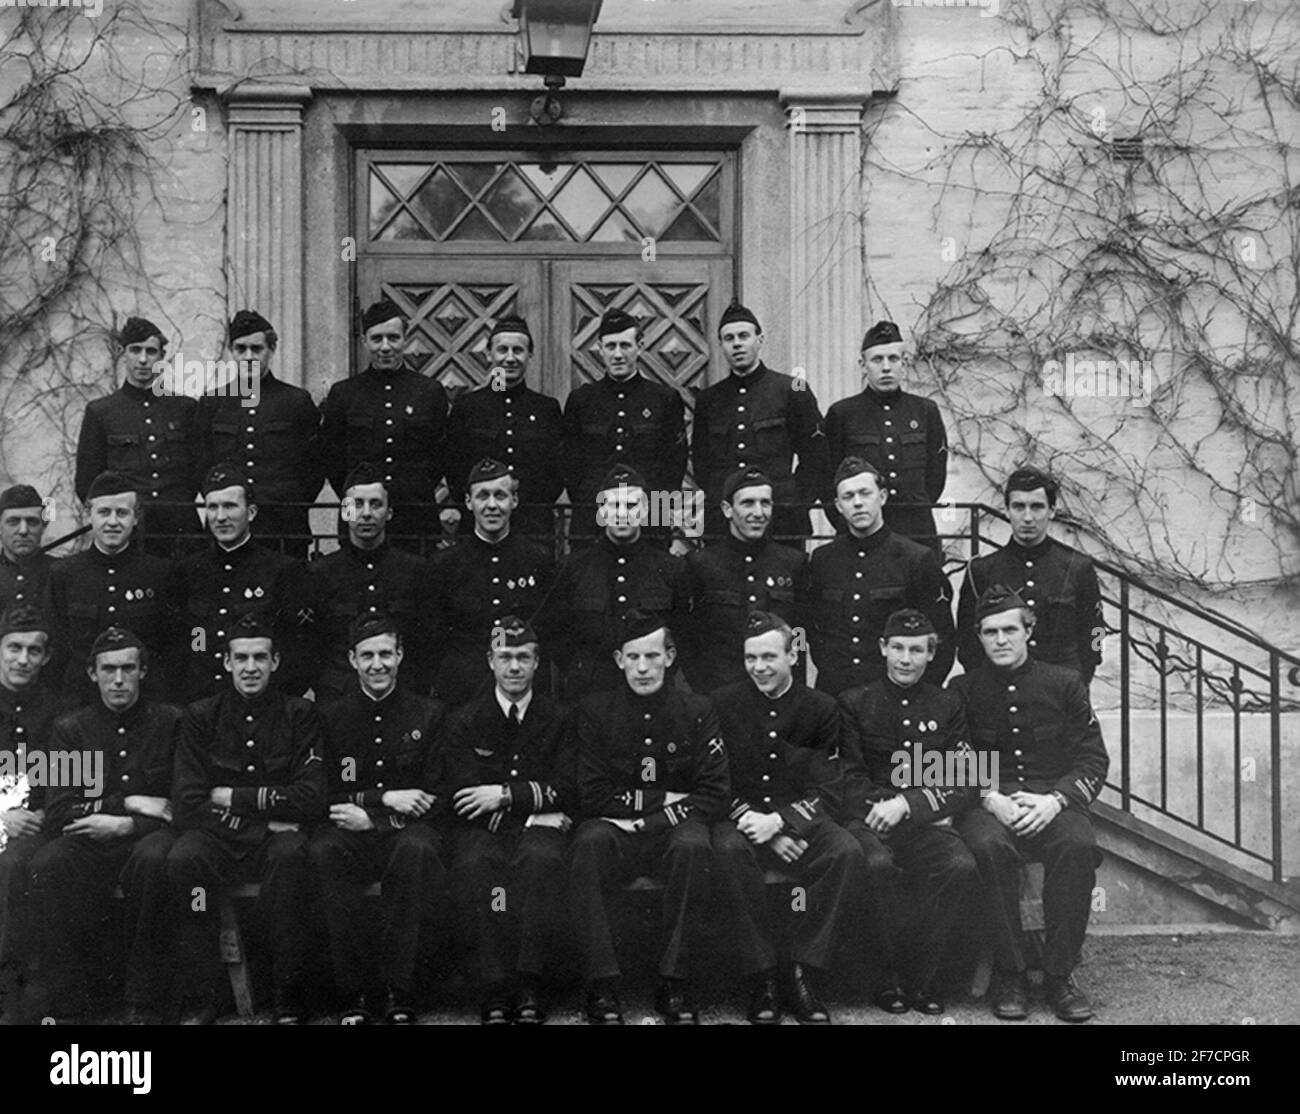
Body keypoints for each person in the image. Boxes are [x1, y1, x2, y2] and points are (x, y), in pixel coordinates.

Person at [953, 585, 1109, 1022]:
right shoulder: (962, 688)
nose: (1000, 640)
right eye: (989, 632)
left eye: (1009, 630)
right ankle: (1010, 972)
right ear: (979, 638)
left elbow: (1092, 757)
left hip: (1051, 798)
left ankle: (1060, 975)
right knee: (986, 848)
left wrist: (1056, 800)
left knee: (1076, 847)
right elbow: (951, 759)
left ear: (1028, 632)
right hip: (990, 803)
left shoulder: (1064, 682)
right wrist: (989, 798)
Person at [568, 612, 728, 1025]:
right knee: (588, 842)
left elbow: (714, 793)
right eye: (633, 657)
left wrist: (649, 820)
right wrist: (663, 798)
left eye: (653, 656)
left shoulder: (697, 708)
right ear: (619, 659)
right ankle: (601, 984)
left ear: (670, 656)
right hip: (613, 829)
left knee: (695, 845)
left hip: (672, 827)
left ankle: (675, 980)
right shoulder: (595, 710)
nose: (642, 668)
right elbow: (591, 793)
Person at [167, 613, 325, 1024]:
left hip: (279, 840)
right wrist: (261, 824)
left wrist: (236, 796)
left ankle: (287, 997)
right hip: (222, 836)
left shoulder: (300, 714)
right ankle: (203, 998)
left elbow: (310, 798)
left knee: (291, 858)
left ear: (275, 662)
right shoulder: (201, 716)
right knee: (185, 859)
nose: (251, 668)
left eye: (260, 658)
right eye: (241, 658)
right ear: (226, 663)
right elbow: (188, 803)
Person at [710, 612, 866, 1025]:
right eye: (750, 658)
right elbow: (715, 782)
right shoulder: (723, 704)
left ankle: (801, 974)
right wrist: (760, 826)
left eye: (768, 657)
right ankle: (761, 977)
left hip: (800, 817)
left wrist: (781, 823)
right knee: (727, 850)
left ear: (792, 655)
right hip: (740, 816)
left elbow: (829, 790)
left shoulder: (821, 708)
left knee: (846, 852)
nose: (758, 668)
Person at [28, 627, 179, 1023]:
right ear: (92, 674)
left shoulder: (170, 722)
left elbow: (180, 805)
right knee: (48, 864)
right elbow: (60, 810)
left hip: (147, 837)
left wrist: (129, 826)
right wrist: (124, 803)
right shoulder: (70, 729)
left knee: (154, 859)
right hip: (91, 838)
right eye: (108, 669)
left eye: (128, 668)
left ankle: (144, 1002)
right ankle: (68, 1005)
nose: (118, 679)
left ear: (143, 671)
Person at [836, 609, 979, 1015]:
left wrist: (909, 804)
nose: (905, 659)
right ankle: (885, 978)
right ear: (882, 648)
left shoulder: (948, 704)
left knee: (959, 865)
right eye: (897, 647)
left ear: (931, 655)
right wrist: (885, 807)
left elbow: (967, 777)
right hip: (868, 820)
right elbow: (847, 777)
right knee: (876, 865)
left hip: (920, 819)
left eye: (916, 650)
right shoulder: (854, 702)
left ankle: (927, 979)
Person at [308, 612, 447, 1025]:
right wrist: (382, 798)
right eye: (367, 655)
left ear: (401, 656)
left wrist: (380, 822)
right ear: (352, 660)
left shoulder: (430, 713)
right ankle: (356, 993)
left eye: (386, 653)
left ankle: (398, 990)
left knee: (417, 850)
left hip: (406, 833)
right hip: (350, 830)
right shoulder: (330, 717)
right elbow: (321, 793)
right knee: (323, 849)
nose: (378, 664)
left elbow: (439, 796)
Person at [445, 616, 574, 1025]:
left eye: (523, 657)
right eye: (505, 657)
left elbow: (569, 786)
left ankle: (530, 981)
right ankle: (493, 984)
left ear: (537, 662)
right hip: (490, 832)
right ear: (490, 661)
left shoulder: (559, 718)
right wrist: (532, 810)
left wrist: (502, 795)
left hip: (537, 835)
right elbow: (465, 797)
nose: (514, 667)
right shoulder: (465, 719)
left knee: (540, 863)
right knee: (479, 869)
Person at [803, 457, 955, 694]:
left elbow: (941, 636)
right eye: (848, 497)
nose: (858, 503)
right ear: (838, 505)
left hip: (893, 697)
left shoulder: (916, 559)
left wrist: (923, 695)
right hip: (835, 694)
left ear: (882, 497)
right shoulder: (822, 560)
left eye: (865, 493)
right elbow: (804, 627)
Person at [537, 464, 689, 700]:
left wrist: (660, 673)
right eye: (614, 505)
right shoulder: (573, 568)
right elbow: (556, 631)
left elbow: (683, 632)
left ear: (646, 509)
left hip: (651, 691)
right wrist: (580, 670)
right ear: (601, 510)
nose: (622, 513)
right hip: (591, 692)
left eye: (631, 505)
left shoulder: (670, 569)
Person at [692, 302, 830, 541]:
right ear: (721, 345)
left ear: (760, 339)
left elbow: (816, 456)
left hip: (781, 520)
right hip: (724, 523)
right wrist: (720, 501)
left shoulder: (791, 390)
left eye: (744, 336)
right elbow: (702, 462)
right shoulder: (709, 400)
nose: (737, 344)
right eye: (729, 338)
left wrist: (794, 502)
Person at [319, 298, 449, 550]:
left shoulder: (429, 391)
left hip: (415, 514)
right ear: (364, 341)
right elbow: (330, 456)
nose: (386, 347)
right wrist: (354, 492)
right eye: (377, 339)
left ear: (405, 339)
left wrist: (413, 490)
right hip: (357, 512)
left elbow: (441, 454)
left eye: (393, 337)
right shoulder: (344, 393)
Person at [426, 458, 555, 706]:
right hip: (465, 690)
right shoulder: (445, 565)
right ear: (468, 502)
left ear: (514, 501)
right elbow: (433, 638)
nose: (492, 505)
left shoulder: (537, 559)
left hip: (523, 689)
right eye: (483, 496)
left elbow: (548, 630)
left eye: (500, 496)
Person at [957, 467, 1104, 683]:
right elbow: (967, 640)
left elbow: (1095, 631)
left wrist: (1082, 677)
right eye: (1018, 507)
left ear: (1052, 511)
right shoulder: (981, 571)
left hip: (1061, 692)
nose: (1027, 517)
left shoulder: (1078, 567)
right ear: (1006, 510)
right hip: (1001, 690)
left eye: (1037, 507)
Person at [195, 310, 323, 558]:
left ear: (271, 350)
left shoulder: (295, 401)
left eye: (257, 349)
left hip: (283, 526)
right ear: (231, 351)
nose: (248, 357)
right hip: (229, 527)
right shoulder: (213, 402)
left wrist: (291, 502)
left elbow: (314, 465)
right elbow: (201, 461)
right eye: (240, 349)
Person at [47, 471, 181, 703]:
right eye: (103, 512)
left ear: (136, 518)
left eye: (122, 513)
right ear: (89, 516)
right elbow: (55, 645)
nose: (112, 522)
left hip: (146, 701)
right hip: (81, 702)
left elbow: (184, 641)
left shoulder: (161, 573)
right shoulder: (64, 574)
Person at [176, 464, 307, 699]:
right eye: (212, 508)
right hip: (204, 700)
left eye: (230, 506)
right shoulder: (190, 570)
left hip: (263, 701)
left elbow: (296, 647)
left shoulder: (281, 570)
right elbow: (196, 633)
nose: (221, 517)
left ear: (251, 512)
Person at [75, 315, 201, 556]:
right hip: (130, 535)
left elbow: (198, 469)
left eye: (151, 352)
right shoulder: (101, 412)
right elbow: (87, 483)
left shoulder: (185, 409)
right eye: (135, 350)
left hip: (180, 531)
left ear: (162, 357)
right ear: (123, 353)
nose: (143, 360)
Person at [0, 606, 72, 1023]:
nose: (22, 659)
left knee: (18, 866)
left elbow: (73, 781)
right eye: (14, 648)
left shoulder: (60, 713)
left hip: (35, 830)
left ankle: (16, 998)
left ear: (46, 658)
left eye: (33, 650)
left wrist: (48, 813)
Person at [561, 308, 688, 543]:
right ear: (600, 348)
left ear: (639, 346)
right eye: (610, 346)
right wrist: (590, 506)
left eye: (625, 346)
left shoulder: (664, 399)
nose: (618, 354)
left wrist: (659, 522)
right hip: (594, 518)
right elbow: (570, 465)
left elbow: (674, 468)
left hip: (648, 517)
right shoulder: (582, 400)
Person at [305, 463, 429, 702]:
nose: (366, 513)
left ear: (389, 513)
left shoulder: (414, 571)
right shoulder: (321, 573)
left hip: (401, 694)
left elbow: (425, 640)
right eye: (357, 504)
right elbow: (312, 644)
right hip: (339, 696)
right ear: (345, 512)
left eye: (376, 504)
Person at [825, 321, 949, 553]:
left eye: (893, 359)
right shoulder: (842, 414)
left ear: (904, 364)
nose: (885, 367)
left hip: (916, 530)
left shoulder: (925, 410)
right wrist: (850, 520)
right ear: (863, 365)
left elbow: (936, 475)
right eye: (877, 360)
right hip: (860, 533)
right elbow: (827, 478)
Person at [683, 466, 806, 694]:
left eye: (765, 503)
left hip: (777, 689)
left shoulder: (793, 563)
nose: (759, 513)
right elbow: (690, 639)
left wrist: (792, 677)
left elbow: (799, 630)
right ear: (727, 509)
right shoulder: (701, 565)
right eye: (748, 503)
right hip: (720, 690)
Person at [444, 315, 565, 541]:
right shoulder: (469, 407)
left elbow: (558, 471)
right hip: (480, 524)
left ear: (530, 355)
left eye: (518, 350)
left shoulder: (546, 408)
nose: (510, 358)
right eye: (502, 350)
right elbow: (454, 467)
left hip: (532, 524)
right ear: (489, 354)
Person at [0, 484, 58, 613]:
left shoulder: (62, 573)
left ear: (43, 527)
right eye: (13, 521)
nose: (23, 531)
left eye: (32, 522)